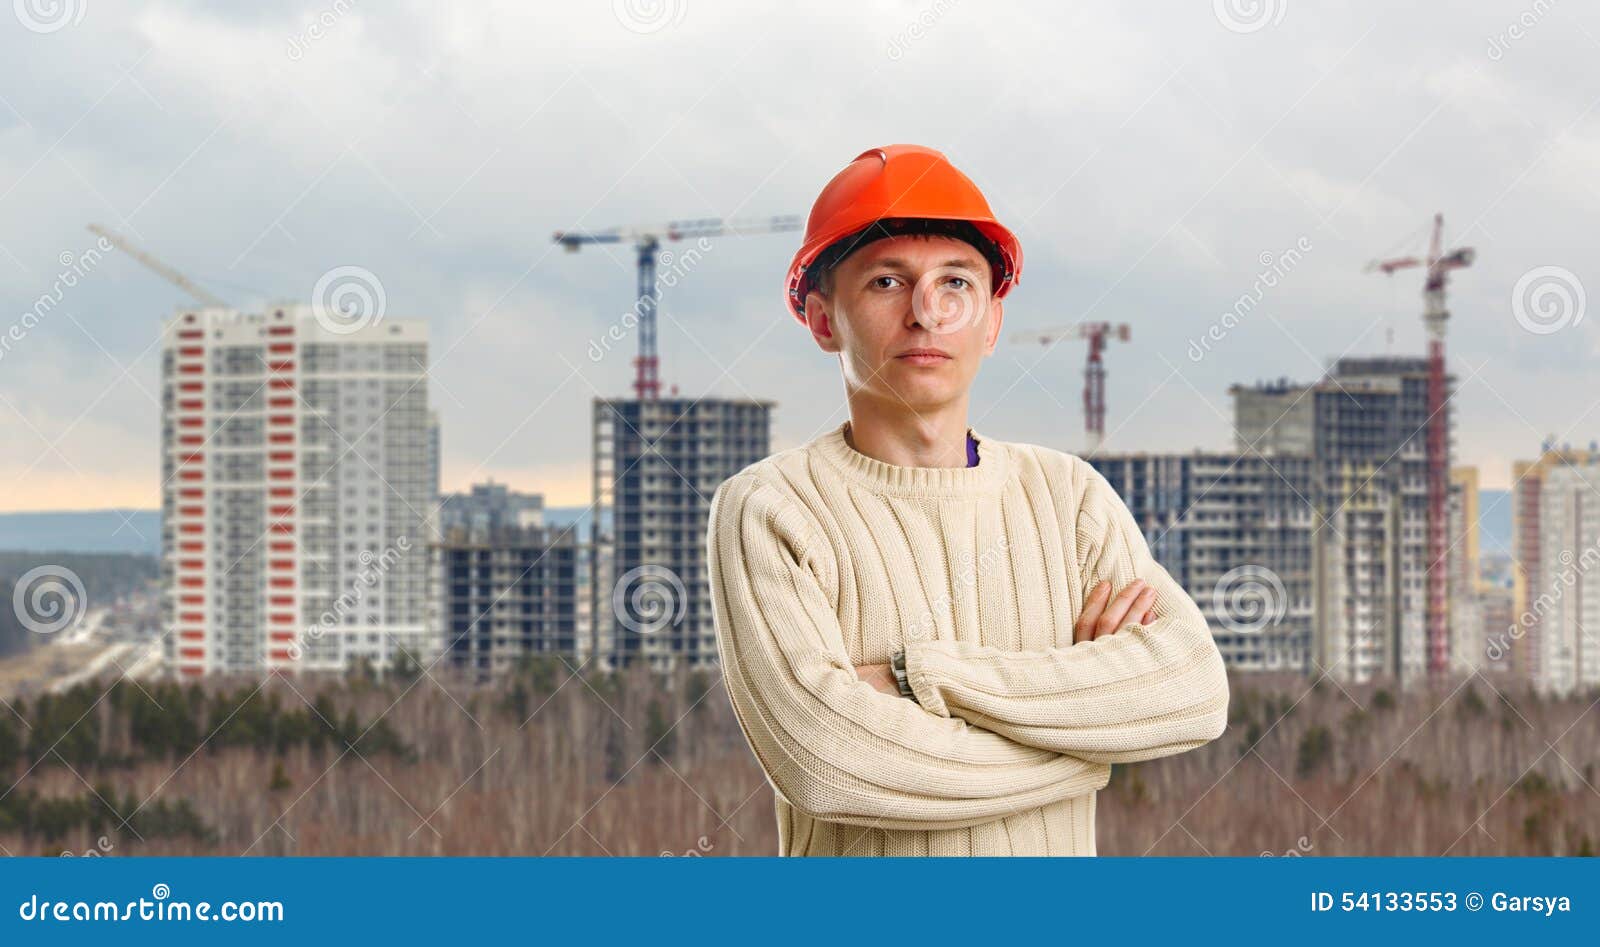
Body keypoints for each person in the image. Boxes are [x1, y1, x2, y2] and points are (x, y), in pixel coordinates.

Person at [706, 144, 1229, 856]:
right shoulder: (770, 509)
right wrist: (1086, 748)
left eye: (956, 282)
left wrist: (916, 675)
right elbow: (827, 762)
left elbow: (1191, 689)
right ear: (823, 320)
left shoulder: (1068, 496)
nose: (927, 312)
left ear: (992, 321)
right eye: (888, 281)